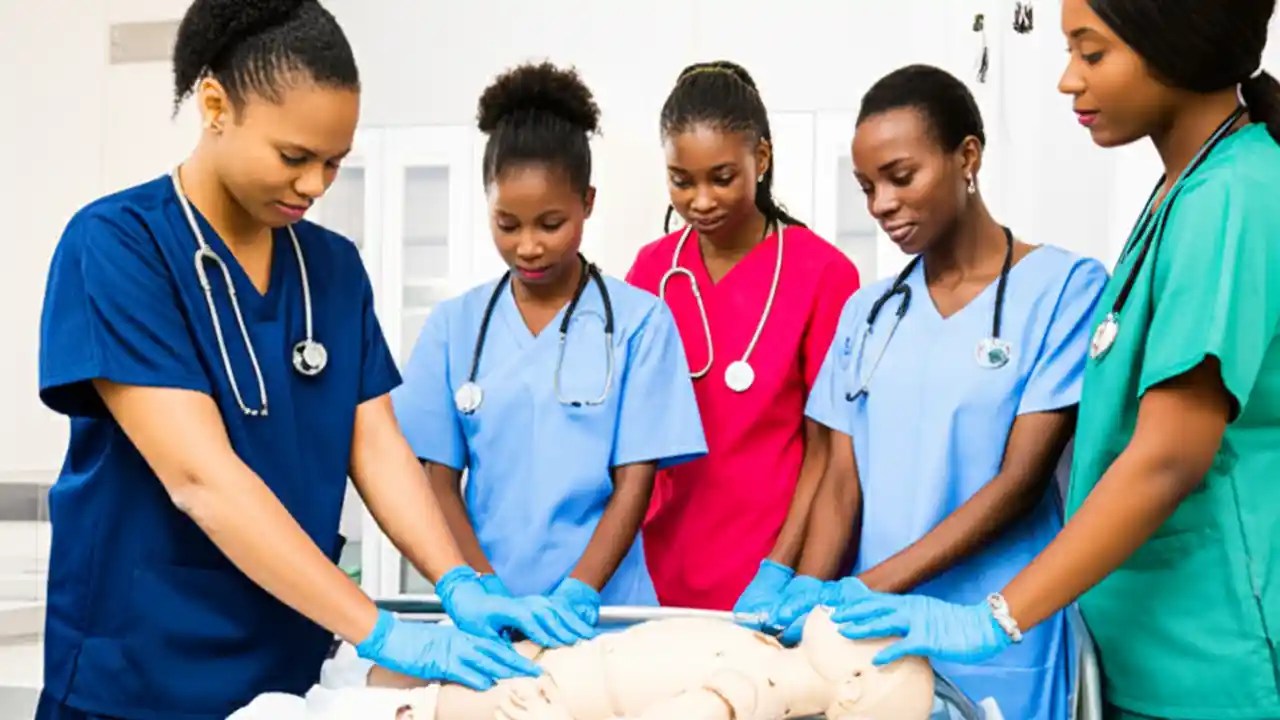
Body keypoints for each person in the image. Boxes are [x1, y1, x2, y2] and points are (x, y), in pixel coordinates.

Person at [33, 2, 579, 717]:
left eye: (334, 162)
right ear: (215, 105)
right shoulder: (118, 246)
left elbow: (377, 443)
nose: (317, 185)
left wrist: (458, 581)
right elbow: (201, 477)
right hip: (138, 670)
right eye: (295, 157)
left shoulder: (332, 268)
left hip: (286, 677)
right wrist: (379, 629)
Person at [828, 2, 1280, 719]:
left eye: (1091, 53)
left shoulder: (1231, 194)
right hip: (1147, 644)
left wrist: (995, 616)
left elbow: (1168, 457)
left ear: (1173, 46)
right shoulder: (1179, 196)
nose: (1069, 80)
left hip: (1215, 654)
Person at [761, 65, 1110, 719]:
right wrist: (805, 590)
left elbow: (1020, 481)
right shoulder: (868, 314)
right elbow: (841, 481)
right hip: (873, 641)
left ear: (967, 156)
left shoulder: (1065, 289)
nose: (881, 204)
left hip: (995, 627)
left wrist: (866, 587)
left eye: (901, 176)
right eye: (867, 188)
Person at [392, 62, 706, 629]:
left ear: (587, 201)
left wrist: (579, 592)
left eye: (551, 223)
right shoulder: (453, 326)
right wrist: (483, 591)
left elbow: (635, 482)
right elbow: (437, 480)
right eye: (507, 224)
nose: (528, 246)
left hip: (610, 610)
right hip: (488, 610)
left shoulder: (641, 323)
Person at [625, 61, 861, 613]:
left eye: (722, 177)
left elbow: (827, 448)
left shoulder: (822, 273)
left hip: (776, 566)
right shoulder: (651, 271)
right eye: (681, 181)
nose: (700, 200)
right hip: (661, 569)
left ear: (762, 157)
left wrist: (785, 567)